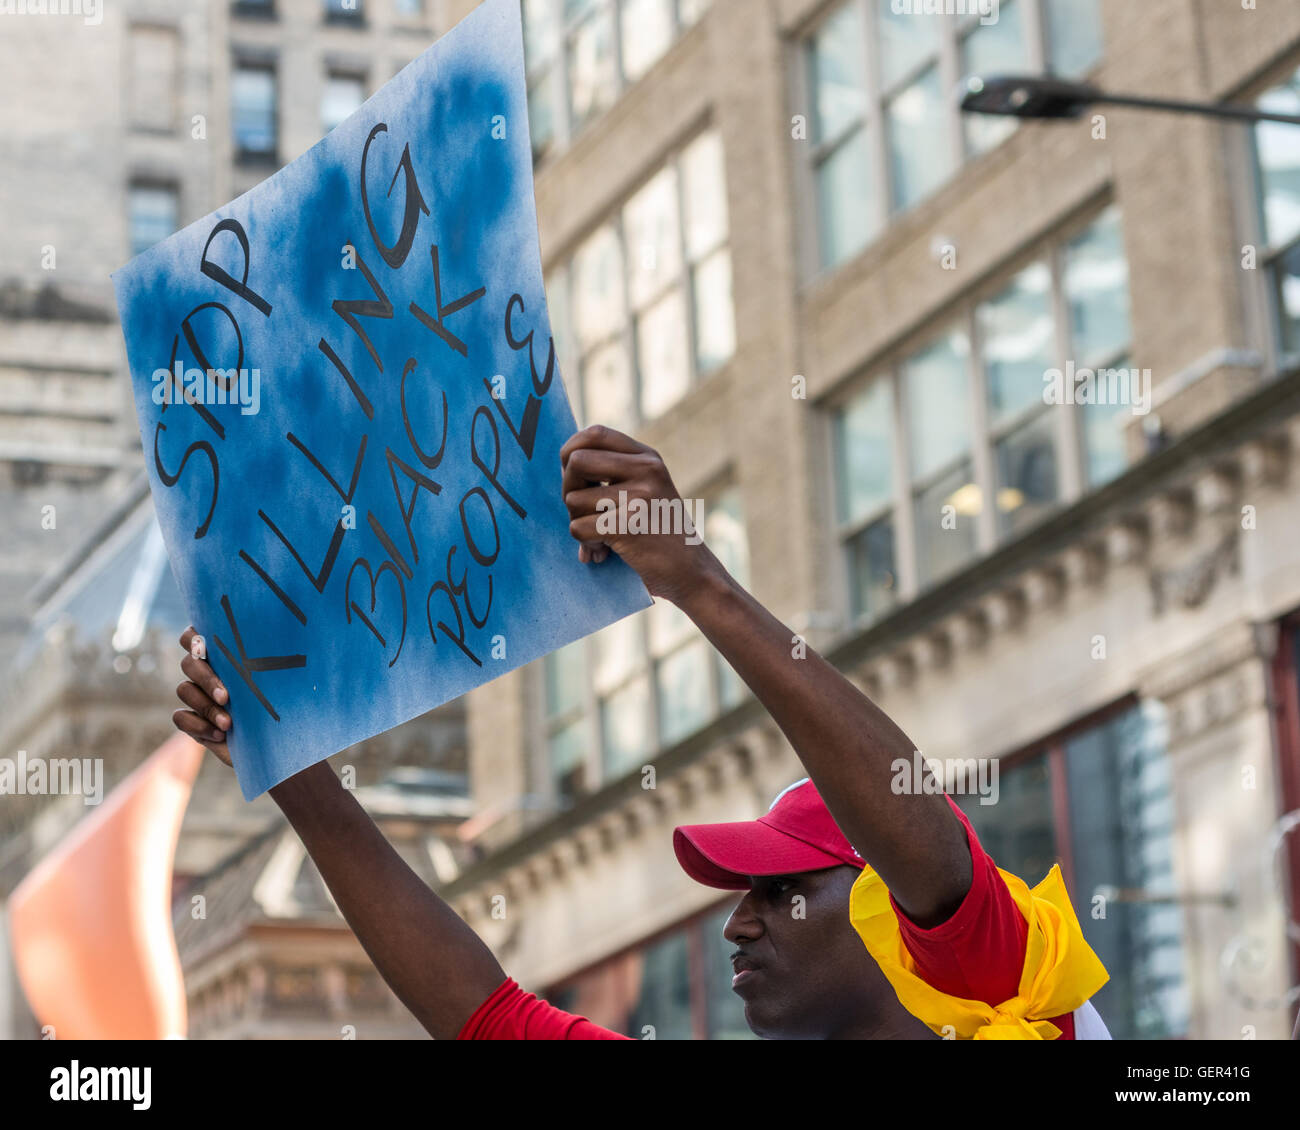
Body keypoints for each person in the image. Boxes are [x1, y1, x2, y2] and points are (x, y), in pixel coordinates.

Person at [172, 424, 1109, 1039]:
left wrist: (696, 580)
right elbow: (486, 1014)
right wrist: (292, 767)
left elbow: (924, 842)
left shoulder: (1006, 994)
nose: (738, 921)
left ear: (890, 913)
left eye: (779, 890)